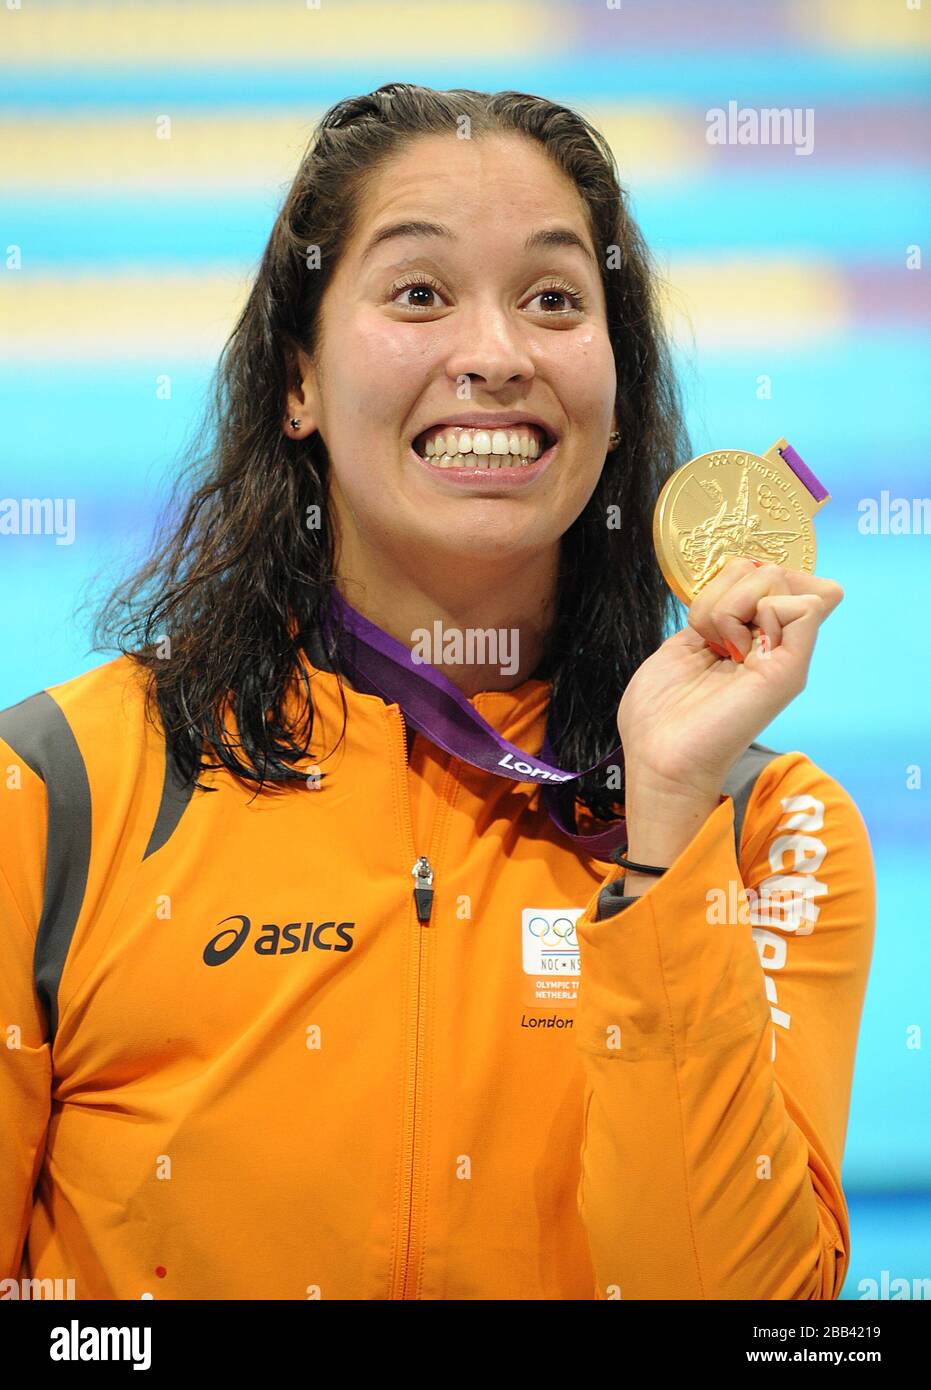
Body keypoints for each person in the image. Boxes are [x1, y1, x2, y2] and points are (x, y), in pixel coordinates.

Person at [0, 83, 874, 1301]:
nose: (498, 356)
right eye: (418, 293)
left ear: (616, 397)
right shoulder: (56, 792)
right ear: (296, 379)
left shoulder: (770, 833)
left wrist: (667, 840)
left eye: (556, 300)